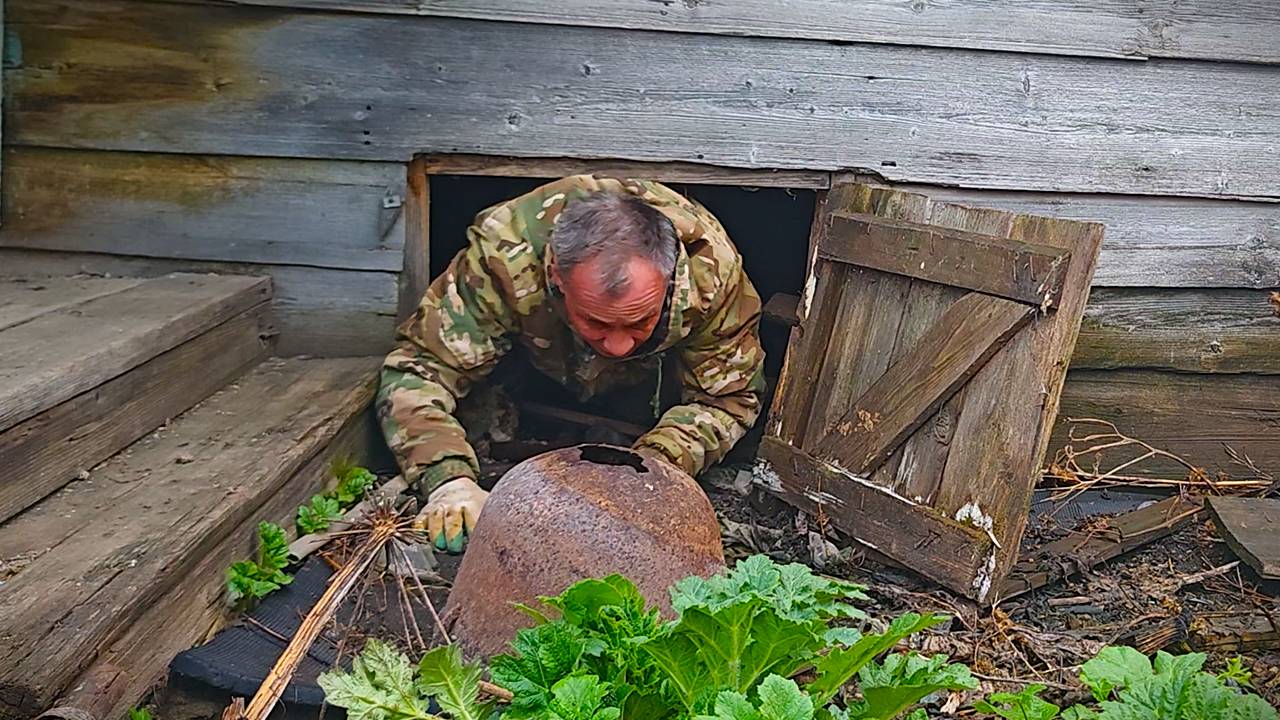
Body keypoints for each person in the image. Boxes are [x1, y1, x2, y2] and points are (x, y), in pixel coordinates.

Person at [379, 175, 766, 552]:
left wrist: (652, 468)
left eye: (638, 321)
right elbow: (419, 369)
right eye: (596, 321)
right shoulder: (506, 256)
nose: (617, 346)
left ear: (668, 283)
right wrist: (447, 478)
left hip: (653, 386)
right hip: (536, 365)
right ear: (555, 276)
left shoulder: (711, 271)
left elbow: (727, 399)